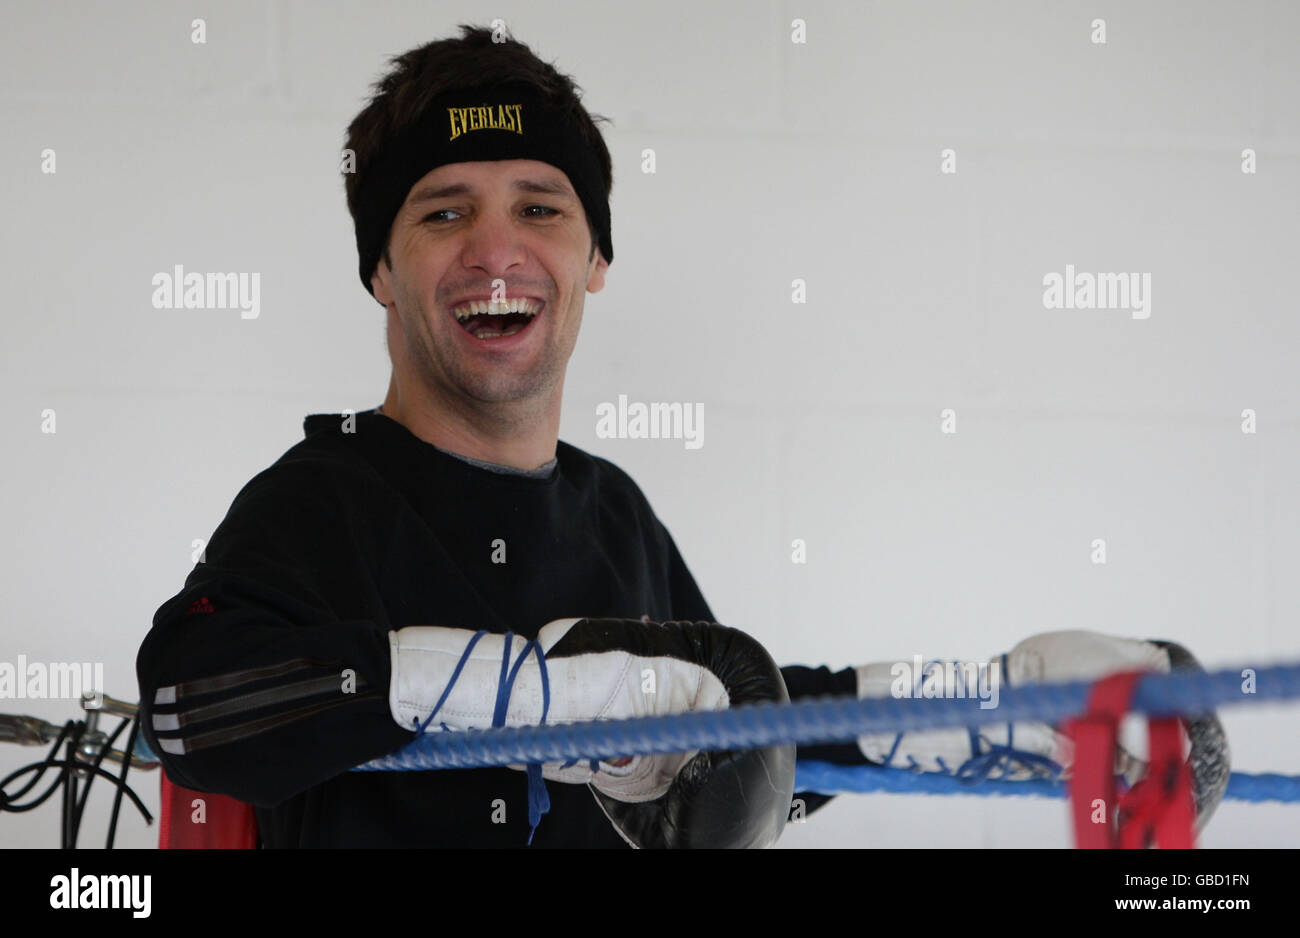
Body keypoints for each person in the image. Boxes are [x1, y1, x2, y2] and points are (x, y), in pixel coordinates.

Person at [136, 24, 1223, 849]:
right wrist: (532, 695)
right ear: (380, 269)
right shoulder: (320, 497)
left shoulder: (612, 510)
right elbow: (190, 705)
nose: (497, 249)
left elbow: (738, 727)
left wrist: (995, 703)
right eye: (443, 211)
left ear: (596, 257)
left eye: (541, 206)